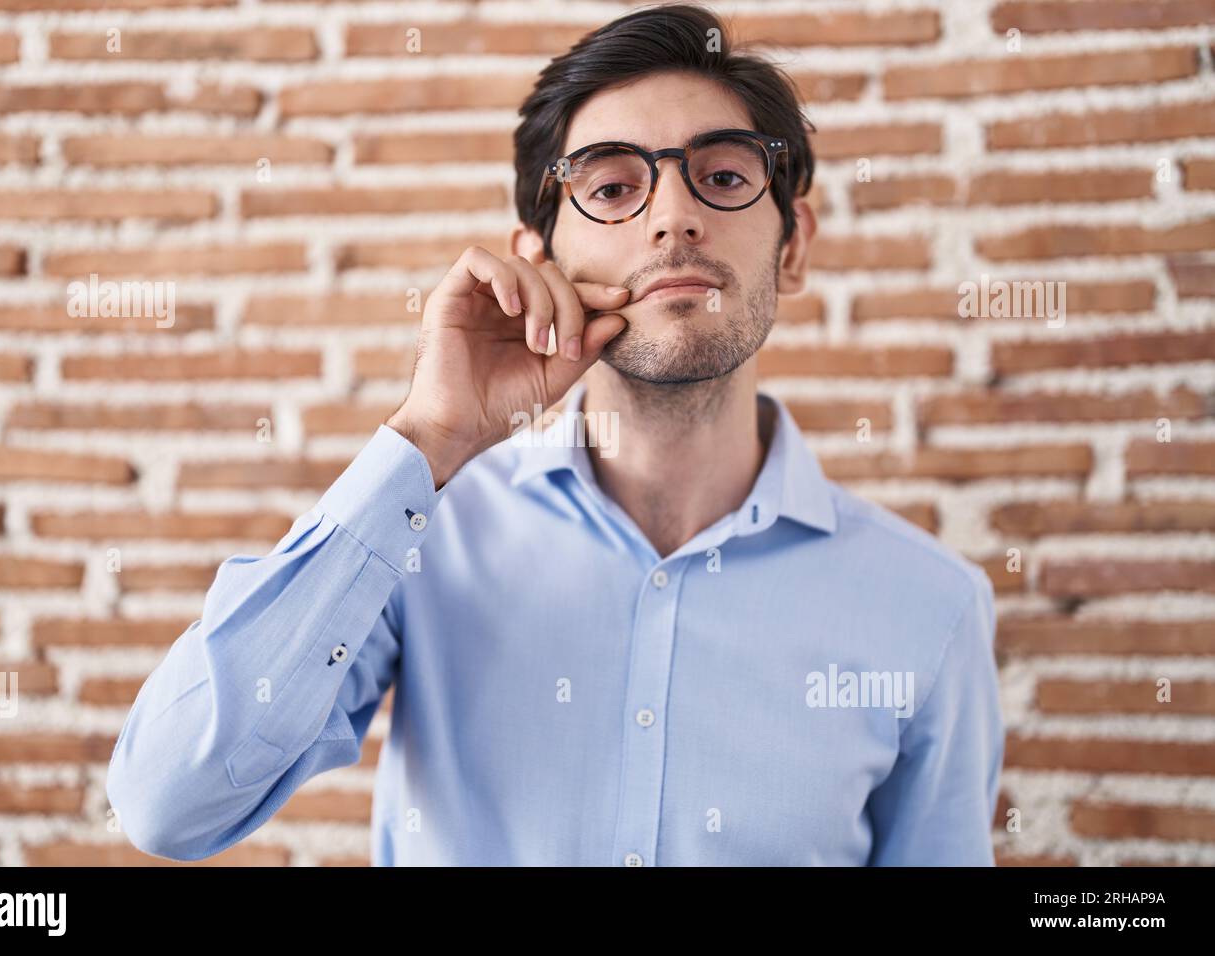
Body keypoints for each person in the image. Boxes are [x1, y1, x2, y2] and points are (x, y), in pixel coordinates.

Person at [106, 3, 1004, 866]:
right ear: (539, 262)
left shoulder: (929, 606)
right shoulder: (420, 541)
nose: (671, 217)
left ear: (793, 246)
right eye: (613, 187)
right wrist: (428, 438)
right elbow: (169, 803)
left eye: (724, 177)